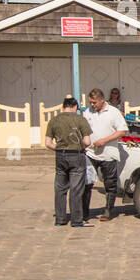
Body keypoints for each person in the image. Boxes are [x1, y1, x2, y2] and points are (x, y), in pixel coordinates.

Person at [44, 96, 94, 228]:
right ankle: (76, 220)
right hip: (76, 155)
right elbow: (87, 141)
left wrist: (60, 148)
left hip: (60, 155)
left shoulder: (54, 120)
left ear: (63, 107)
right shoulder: (80, 119)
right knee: (76, 189)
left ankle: (60, 219)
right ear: (75, 107)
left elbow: (48, 143)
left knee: (60, 188)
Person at [81, 88, 128, 221]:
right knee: (87, 183)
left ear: (102, 100)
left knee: (110, 184)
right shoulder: (87, 112)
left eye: (95, 102)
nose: (92, 105)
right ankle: (84, 212)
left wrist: (104, 140)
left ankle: (108, 210)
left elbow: (122, 131)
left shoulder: (113, 112)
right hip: (90, 153)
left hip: (108, 153)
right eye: (91, 102)